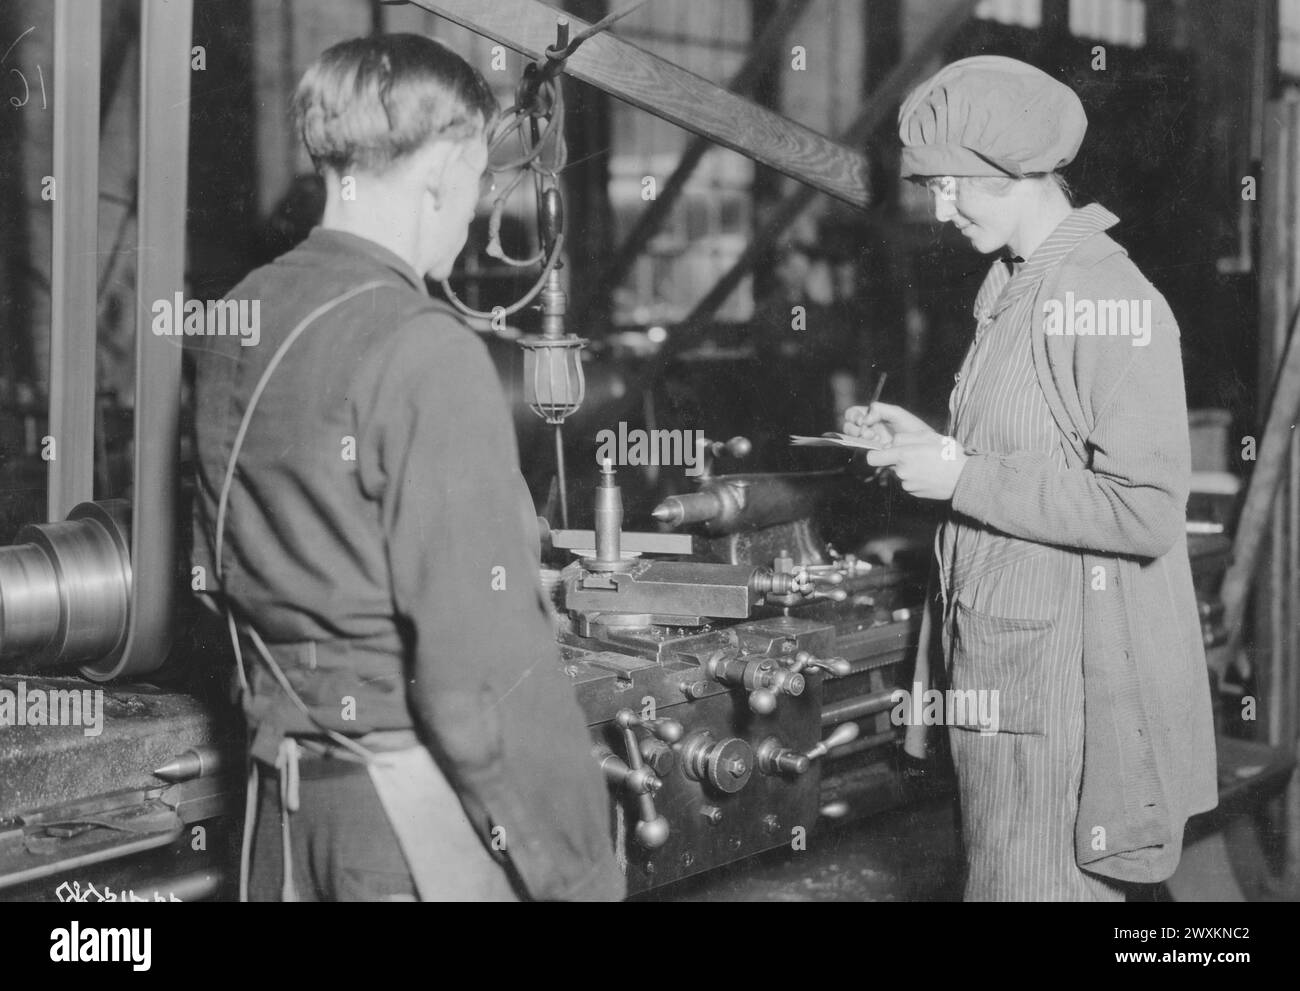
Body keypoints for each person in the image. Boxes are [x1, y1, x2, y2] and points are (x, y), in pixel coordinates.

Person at [190, 34, 623, 902]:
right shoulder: (424, 349)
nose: (471, 217)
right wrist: (580, 870)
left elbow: (210, 575)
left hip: (281, 813)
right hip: (402, 826)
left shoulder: (239, 312)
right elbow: (480, 683)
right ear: (437, 171)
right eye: (473, 184)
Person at [843, 56, 1217, 900]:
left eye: (951, 186)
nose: (939, 210)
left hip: (1062, 698)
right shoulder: (1015, 286)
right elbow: (1026, 452)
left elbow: (1145, 510)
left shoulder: (1109, 299)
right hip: (1003, 673)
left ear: (1017, 171)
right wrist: (933, 446)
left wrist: (962, 475)